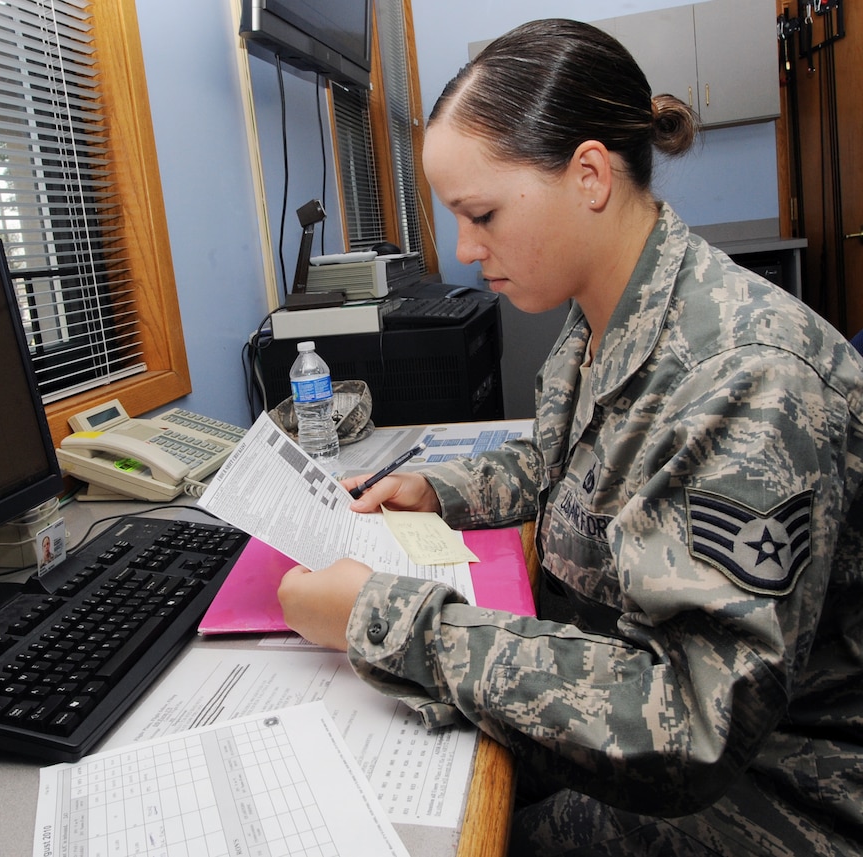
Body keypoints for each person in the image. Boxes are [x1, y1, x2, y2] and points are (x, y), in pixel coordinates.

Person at [277, 18, 863, 857]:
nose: (466, 249)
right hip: (680, 716)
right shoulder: (602, 310)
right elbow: (569, 459)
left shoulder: (744, 376)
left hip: (786, 779)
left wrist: (383, 615)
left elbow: (691, 719)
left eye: (479, 213)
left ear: (588, 174)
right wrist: (439, 488)